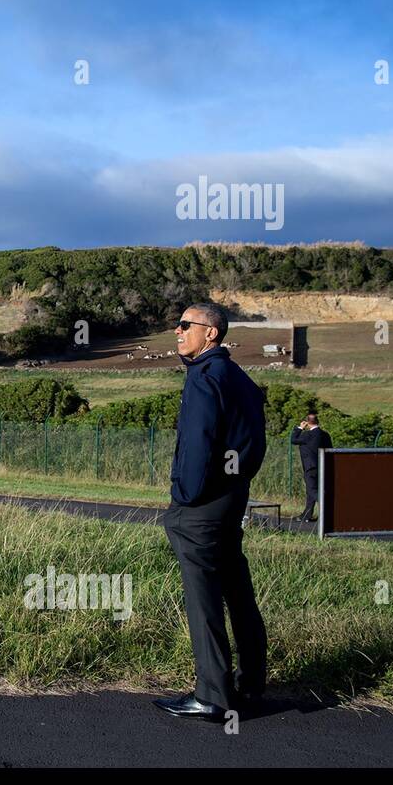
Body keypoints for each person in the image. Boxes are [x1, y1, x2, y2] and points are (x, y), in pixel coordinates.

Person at [153, 302, 268, 723]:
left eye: (186, 325)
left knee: (203, 598)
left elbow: (198, 445)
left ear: (211, 334)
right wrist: (236, 482)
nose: (177, 331)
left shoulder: (204, 377)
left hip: (200, 506)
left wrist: (185, 495)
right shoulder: (239, 377)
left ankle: (213, 695)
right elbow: (255, 441)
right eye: (177, 324)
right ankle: (251, 681)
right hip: (231, 498)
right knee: (237, 589)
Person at [290, 412, 332, 521]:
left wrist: (300, 428)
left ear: (308, 423)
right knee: (311, 491)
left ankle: (326, 507)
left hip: (310, 467)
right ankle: (307, 515)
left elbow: (293, 440)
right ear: (317, 421)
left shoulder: (307, 435)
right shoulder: (325, 435)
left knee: (312, 490)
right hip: (323, 466)